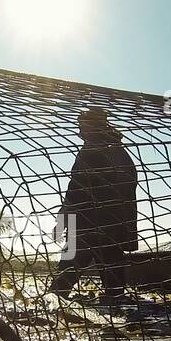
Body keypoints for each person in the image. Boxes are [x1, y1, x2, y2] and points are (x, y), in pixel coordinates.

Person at [48, 108, 138, 305]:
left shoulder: (91, 150)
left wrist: (62, 221)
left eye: (82, 126)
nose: (80, 130)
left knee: (71, 262)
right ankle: (116, 303)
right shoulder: (119, 150)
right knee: (112, 267)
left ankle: (53, 300)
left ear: (92, 126)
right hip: (115, 223)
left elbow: (75, 189)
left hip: (89, 221)